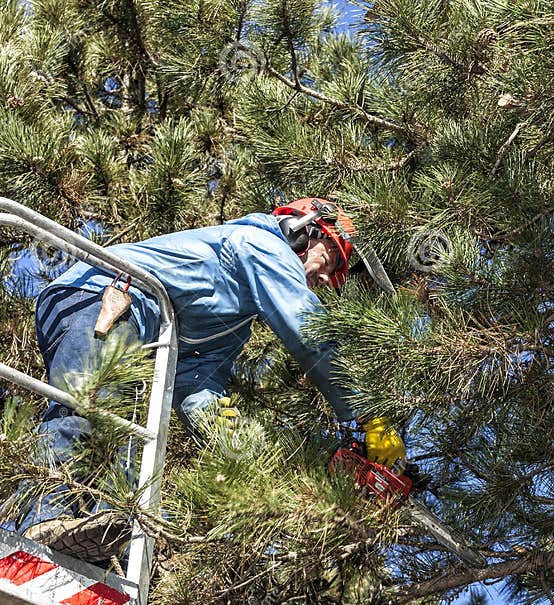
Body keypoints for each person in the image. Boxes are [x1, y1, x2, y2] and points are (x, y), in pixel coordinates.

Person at [21, 198, 407, 562]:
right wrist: (367, 415)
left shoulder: (232, 323)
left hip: (132, 322)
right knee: (92, 406)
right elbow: (310, 333)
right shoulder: (261, 244)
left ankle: (94, 562)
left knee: (123, 448)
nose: (329, 278)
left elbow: (197, 391)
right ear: (303, 231)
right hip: (99, 298)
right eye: (332, 259)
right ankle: (42, 523)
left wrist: (270, 466)